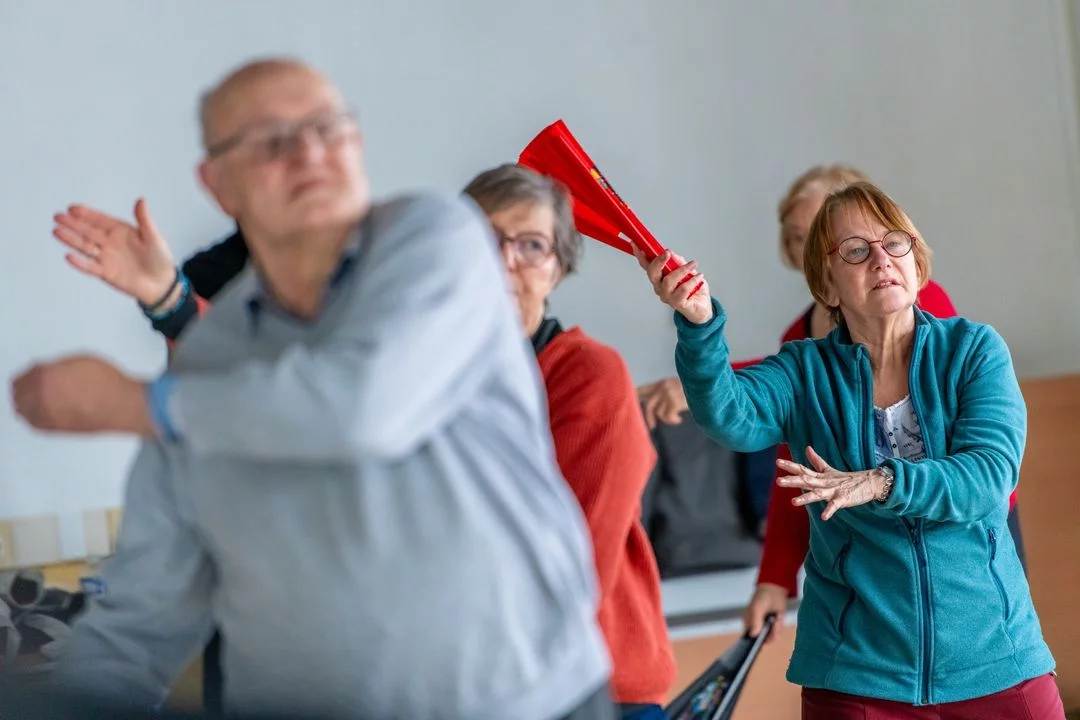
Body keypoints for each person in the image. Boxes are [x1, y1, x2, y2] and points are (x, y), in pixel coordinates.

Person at [12, 58, 615, 720]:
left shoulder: (438, 240)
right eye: (272, 141)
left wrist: (128, 404)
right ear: (218, 185)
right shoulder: (204, 376)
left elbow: (363, 407)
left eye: (330, 128)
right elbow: (137, 625)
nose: (310, 152)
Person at [634, 180, 1063, 718]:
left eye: (894, 243)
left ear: (917, 264)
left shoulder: (973, 350)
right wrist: (699, 326)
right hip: (858, 674)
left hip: (994, 659)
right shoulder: (802, 367)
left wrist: (879, 481)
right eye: (856, 251)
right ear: (828, 287)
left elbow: (990, 476)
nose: (881, 259)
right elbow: (731, 418)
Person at [462, 165, 676, 720]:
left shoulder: (588, 375)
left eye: (531, 245)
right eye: (483, 241)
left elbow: (569, 567)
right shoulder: (434, 376)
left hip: (591, 688)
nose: (505, 262)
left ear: (558, 268)